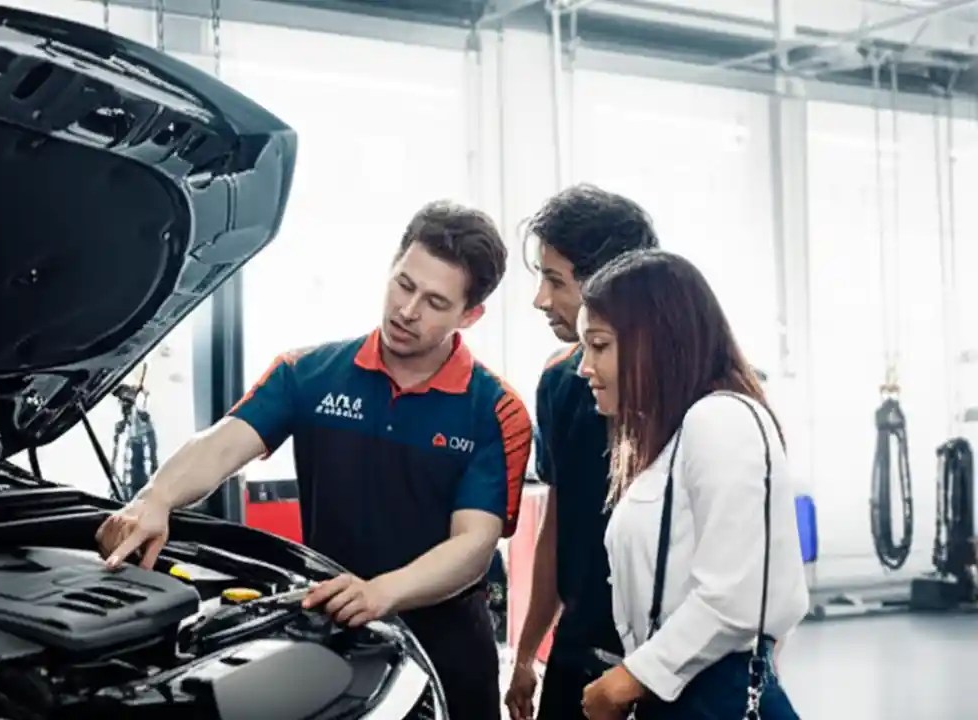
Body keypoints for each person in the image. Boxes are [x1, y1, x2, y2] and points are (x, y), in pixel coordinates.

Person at [95, 199, 532, 720]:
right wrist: (155, 498)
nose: (407, 310)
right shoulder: (308, 373)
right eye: (404, 284)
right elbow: (222, 443)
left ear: (471, 314)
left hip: (449, 653)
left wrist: (381, 592)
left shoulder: (496, 410)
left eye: (436, 302)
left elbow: (474, 546)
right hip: (334, 634)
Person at [575, 249, 807, 719]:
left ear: (655, 343)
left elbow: (735, 598)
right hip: (677, 694)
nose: (584, 366)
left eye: (599, 346)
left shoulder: (719, 419)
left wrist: (630, 679)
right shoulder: (671, 440)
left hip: (706, 695)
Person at [504, 184, 659, 720]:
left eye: (554, 280)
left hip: (669, 663)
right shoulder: (559, 382)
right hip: (577, 650)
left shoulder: (702, 403)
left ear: (611, 284)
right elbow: (558, 525)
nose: (540, 299)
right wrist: (526, 654)